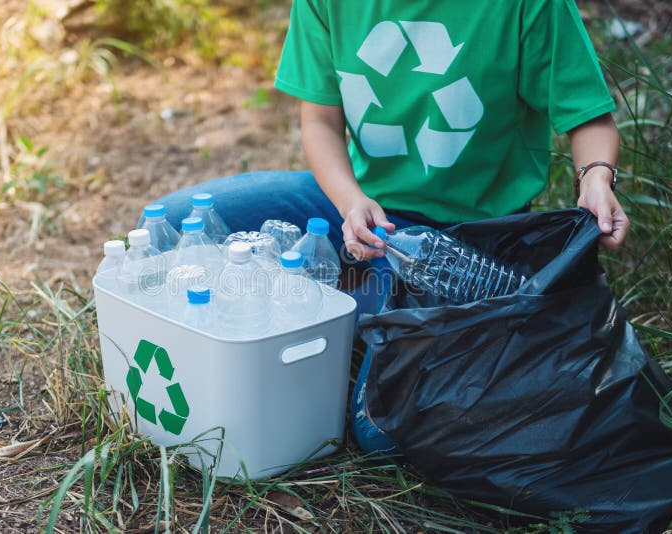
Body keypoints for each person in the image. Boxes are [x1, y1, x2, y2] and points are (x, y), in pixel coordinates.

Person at [152, 0, 630, 453]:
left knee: (378, 431)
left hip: (467, 238)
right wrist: (350, 201)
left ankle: (357, 296)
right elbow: (319, 121)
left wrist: (596, 178)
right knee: (176, 223)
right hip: (362, 205)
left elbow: (589, 116)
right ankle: (358, 295)